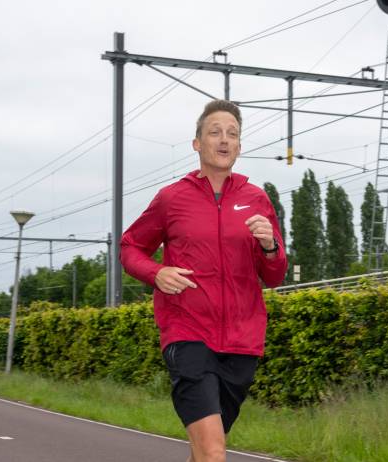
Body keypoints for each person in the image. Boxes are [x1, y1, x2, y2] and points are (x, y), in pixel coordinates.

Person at [121, 100, 287, 462]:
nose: (224, 140)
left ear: (240, 147)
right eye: (215, 132)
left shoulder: (256, 199)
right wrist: (157, 272)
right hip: (188, 333)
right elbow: (130, 247)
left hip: (243, 343)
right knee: (213, 452)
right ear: (197, 143)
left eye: (233, 134)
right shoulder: (172, 199)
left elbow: (274, 276)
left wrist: (271, 246)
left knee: (205, 451)